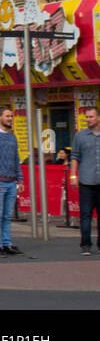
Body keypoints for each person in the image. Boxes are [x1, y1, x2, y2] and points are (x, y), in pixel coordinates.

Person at [0, 106, 23, 257]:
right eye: (7, 116)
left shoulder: (12, 136)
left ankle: (7, 244)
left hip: (12, 182)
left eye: (11, 116)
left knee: (7, 215)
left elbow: (16, 159)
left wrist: (20, 180)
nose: (10, 119)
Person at [71, 106, 100, 255]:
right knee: (85, 215)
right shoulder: (80, 136)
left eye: (91, 117)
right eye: (87, 117)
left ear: (98, 118)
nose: (88, 119)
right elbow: (74, 156)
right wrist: (73, 176)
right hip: (86, 182)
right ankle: (86, 245)